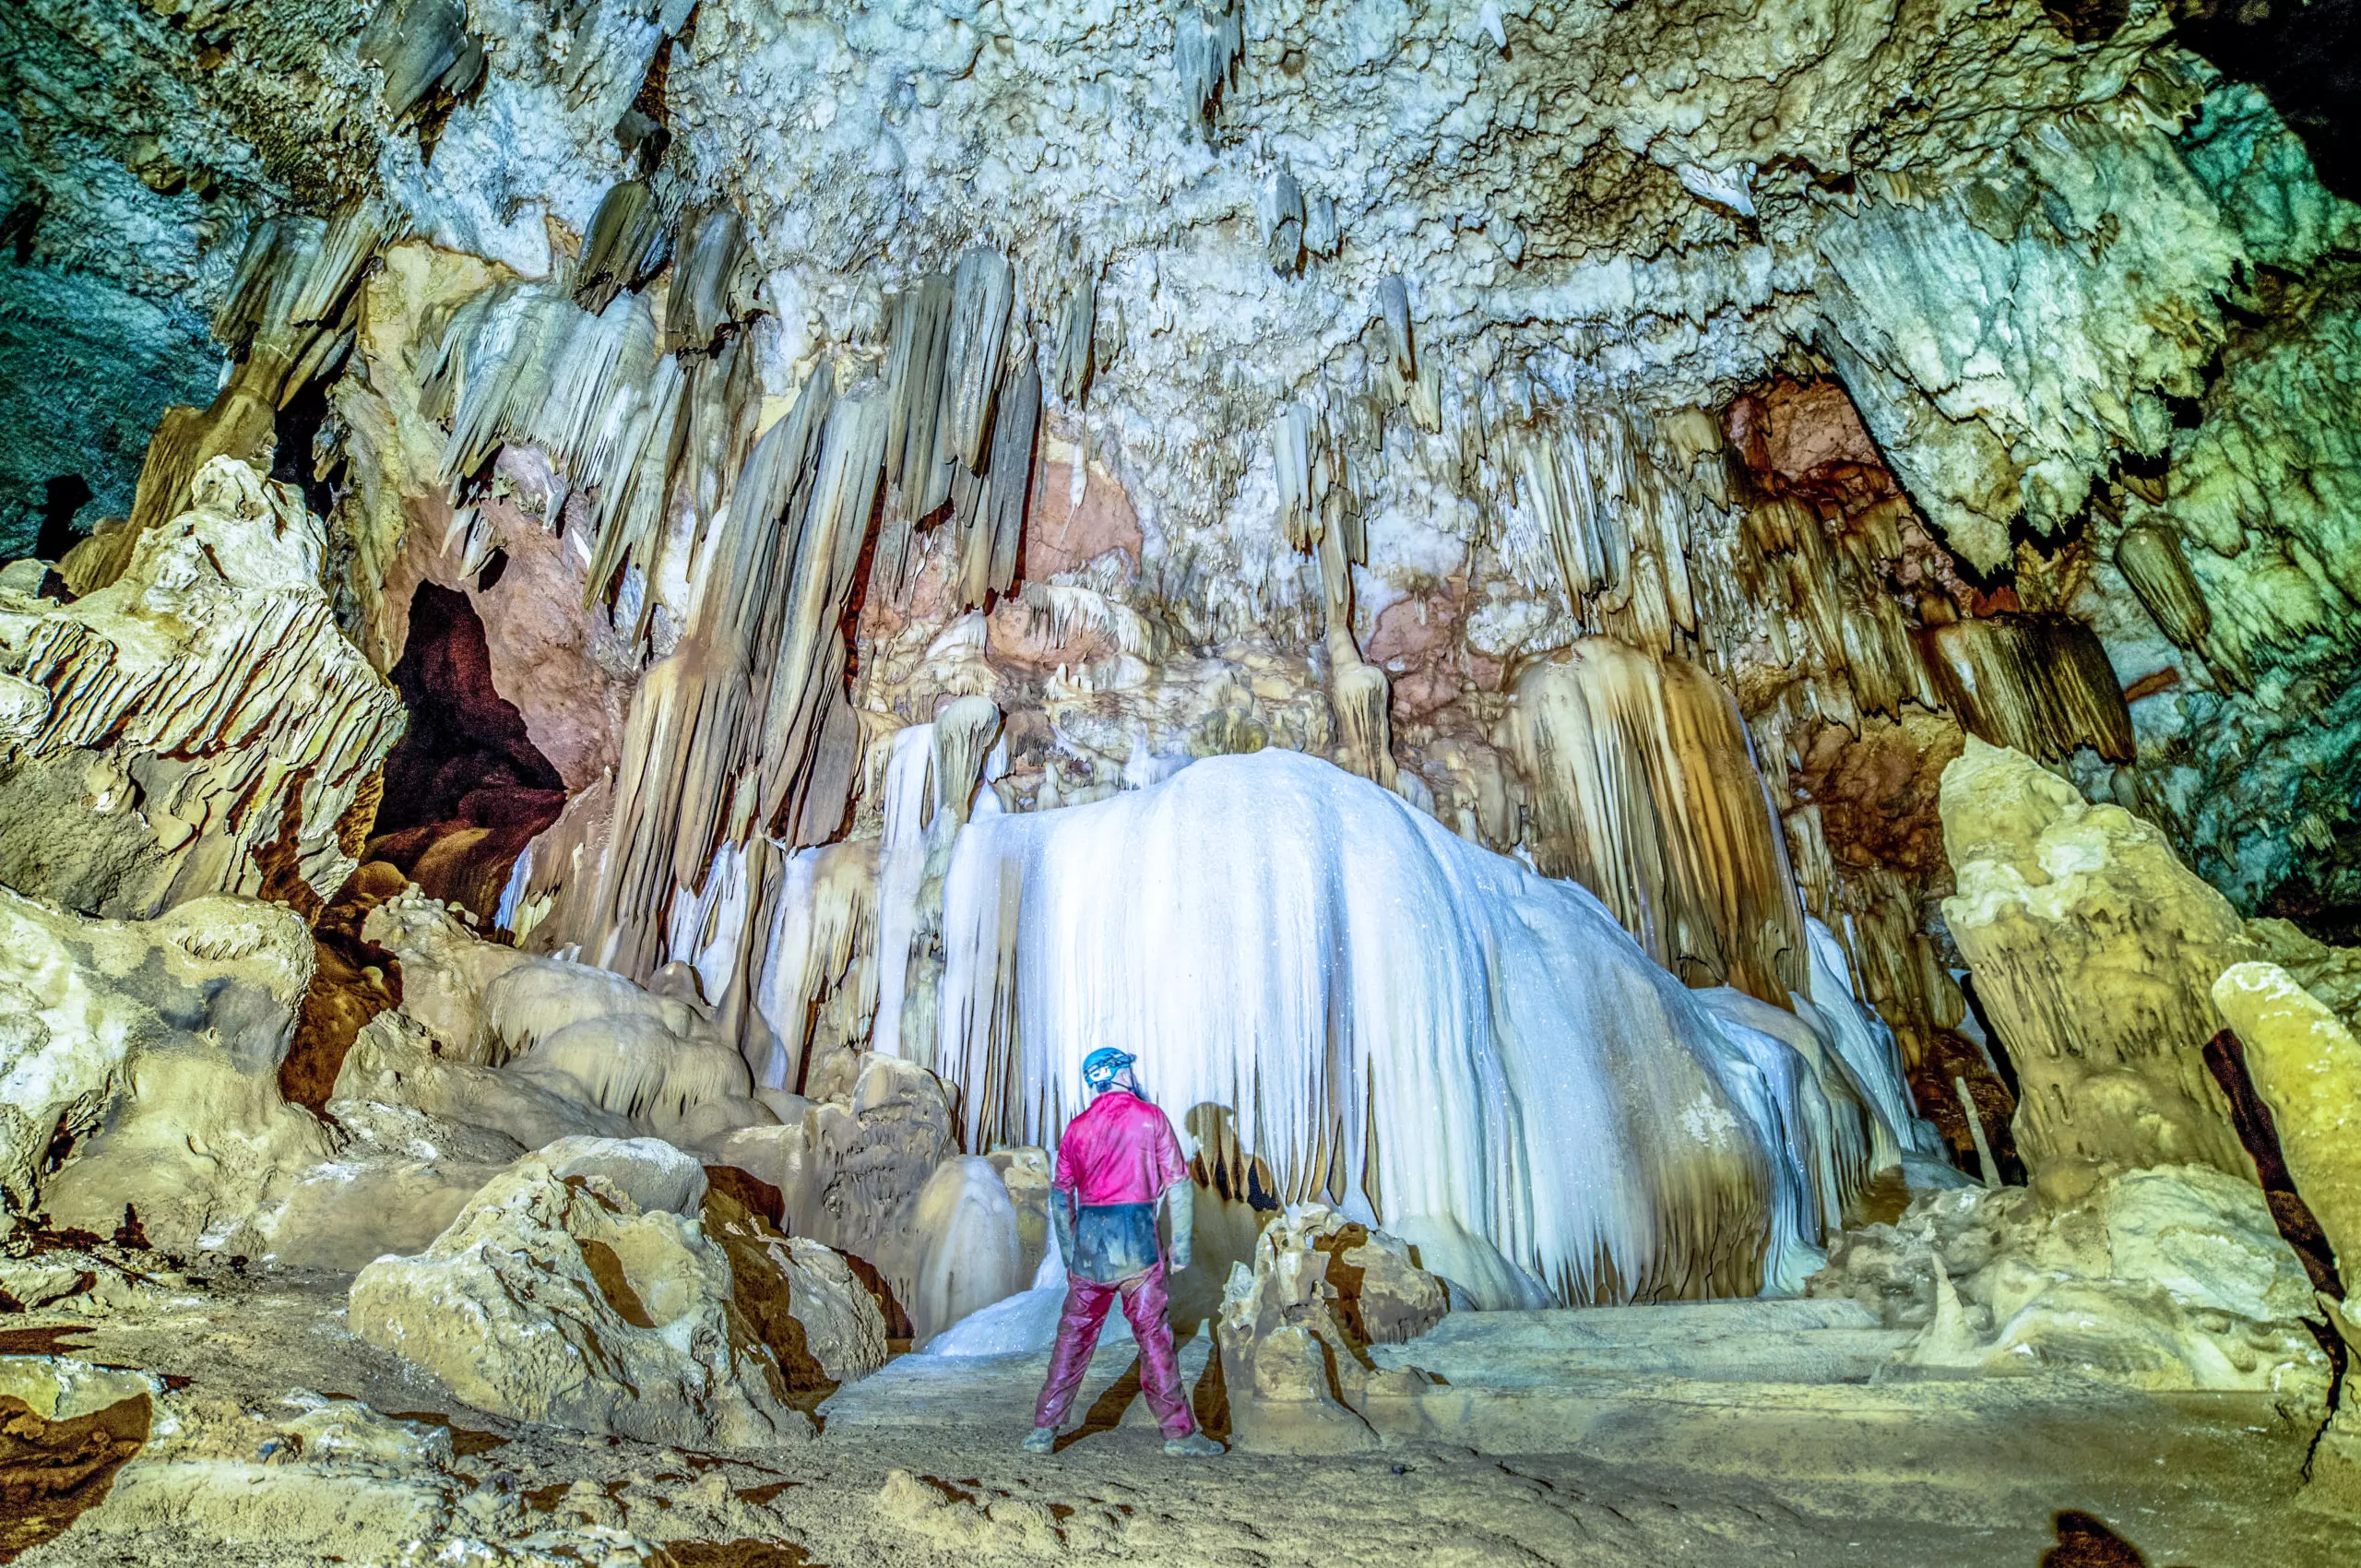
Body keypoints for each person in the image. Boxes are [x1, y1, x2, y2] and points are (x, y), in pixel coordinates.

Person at [1024, 1047, 1224, 1457]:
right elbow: (1178, 1185)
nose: (1134, 1073)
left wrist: (1069, 1254)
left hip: (1090, 1247)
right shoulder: (1150, 1118)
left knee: (1073, 1338)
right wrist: (1180, 1245)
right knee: (1154, 1338)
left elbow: (1061, 1198)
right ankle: (1178, 1434)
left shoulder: (1077, 1128)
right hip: (1137, 1243)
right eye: (1128, 1067)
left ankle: (1044, 1429)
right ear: (1116, 1073)